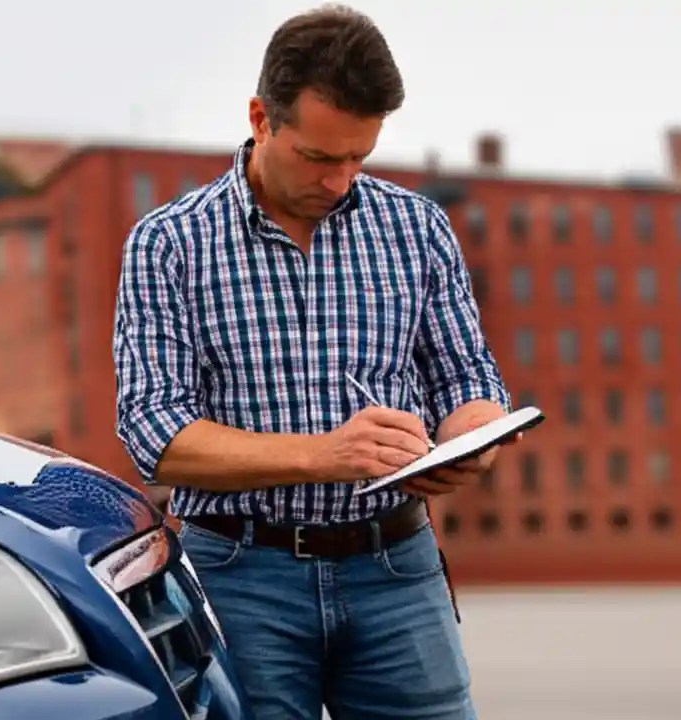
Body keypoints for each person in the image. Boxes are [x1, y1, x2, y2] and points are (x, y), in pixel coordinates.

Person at [112, 5, 517, 719]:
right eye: (320, 157)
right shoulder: (167, 244)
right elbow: (155, 434)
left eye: (359, 157)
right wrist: (324, 455)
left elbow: (467, 379)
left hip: (399, 570)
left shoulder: (417, 229)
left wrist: (469, 438)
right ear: (261, 118)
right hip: (239, 579)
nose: (341, 180)